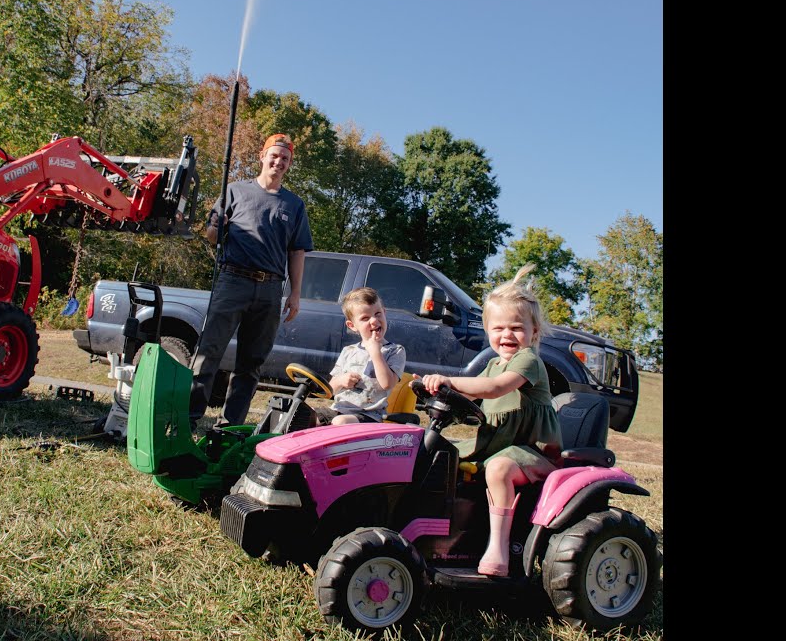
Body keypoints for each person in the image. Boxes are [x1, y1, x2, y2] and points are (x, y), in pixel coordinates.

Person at [419, 263, 562, 577]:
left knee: (498, 469)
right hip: (500, 445)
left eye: (516, 327)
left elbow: (494, 390)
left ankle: (498, 548)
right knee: (440, 452)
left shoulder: (528, 361)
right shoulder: (494, 363)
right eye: (498, 328)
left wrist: (450, 381)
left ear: (534, 331)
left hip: (532, 452)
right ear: (487, 331)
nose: (507, 334)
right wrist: (434, 388)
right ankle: (444, 539)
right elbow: (471, 395)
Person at [189, 133, 314, 427]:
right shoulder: (234, 191)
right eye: (274, 155)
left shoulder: (294, 205)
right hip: (233, 280)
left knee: (251, 363)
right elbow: (211, 237)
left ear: (289, 164)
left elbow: (297, 252)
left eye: (285, 158)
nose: (278, 161)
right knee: (209, 352)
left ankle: (230, 427)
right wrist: (216, 227)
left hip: (271, 289)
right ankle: (191, 416)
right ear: (262, 156)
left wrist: (295, 294)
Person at [315, 287, 407, 425]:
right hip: (339, 410)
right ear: (352, 325)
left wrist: (375, 352)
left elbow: (387, 383)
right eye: (365, 318)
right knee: (304, 414)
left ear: (384, 312)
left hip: (369, 415)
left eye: (378, 314)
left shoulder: (395, 351)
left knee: (341, 422)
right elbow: (330, 389)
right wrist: (340, 380)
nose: (374, 321)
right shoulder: (348, 351)